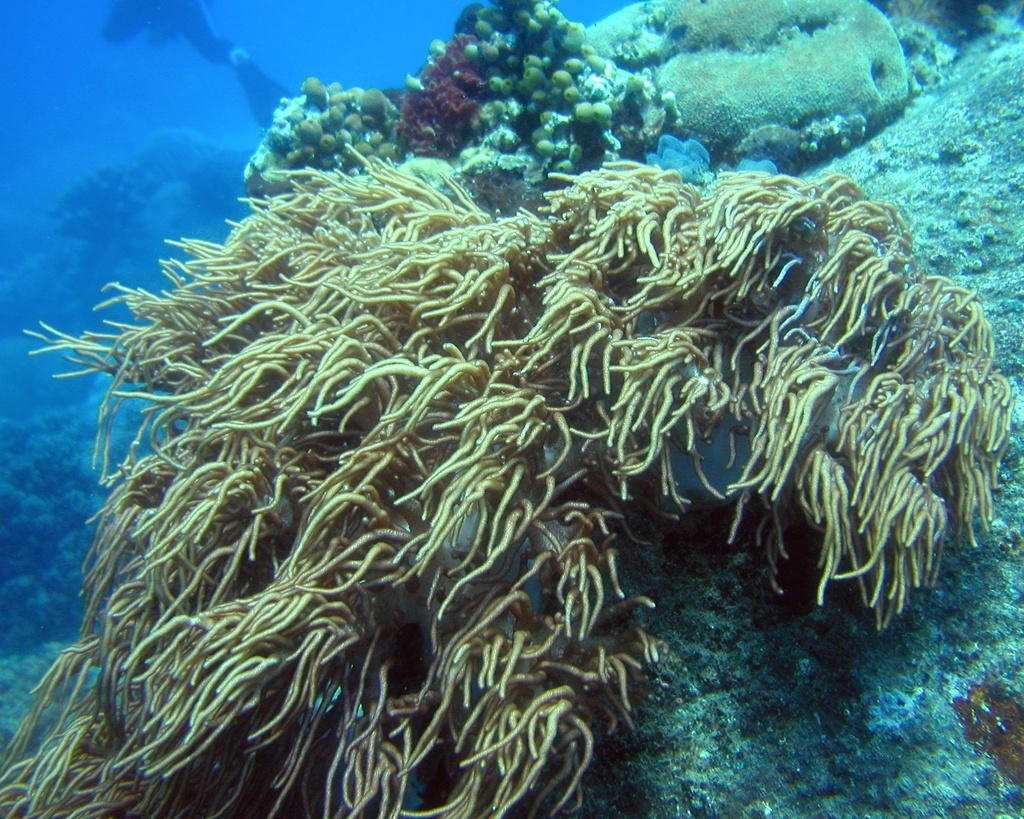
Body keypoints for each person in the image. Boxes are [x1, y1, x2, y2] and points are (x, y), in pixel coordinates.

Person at [103, 0, 288, 126]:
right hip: (180, 7)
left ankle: (244, 67)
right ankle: (240, 60)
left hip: (168, 7)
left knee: (112, 35)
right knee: (215, 49)